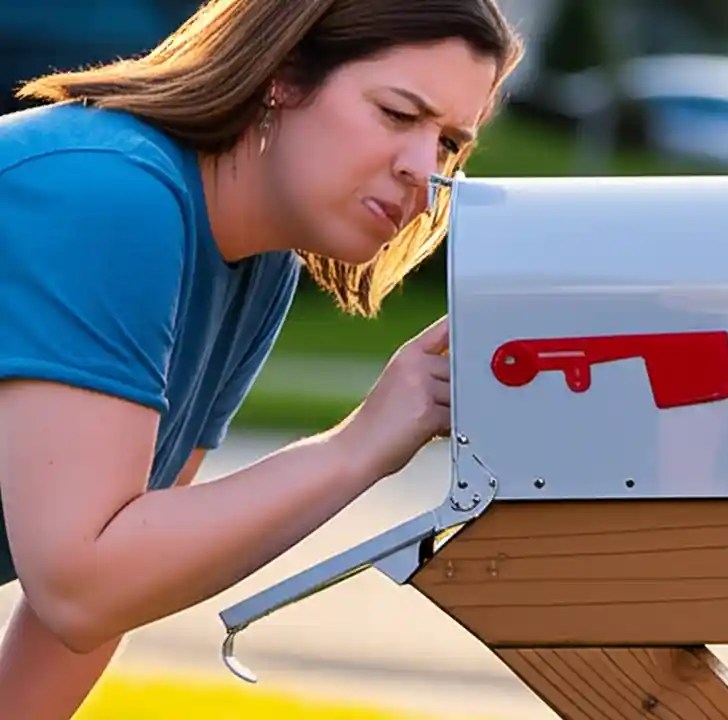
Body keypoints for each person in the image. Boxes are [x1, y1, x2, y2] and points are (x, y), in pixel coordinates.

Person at [0, 0, 523, 717]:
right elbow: (82, 585)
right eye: (398, 114)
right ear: (283, 74)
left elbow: (128, 575)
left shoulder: (256, 261)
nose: (421, 172)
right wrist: (358, 446)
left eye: (448, 145)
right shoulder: (109, 193)